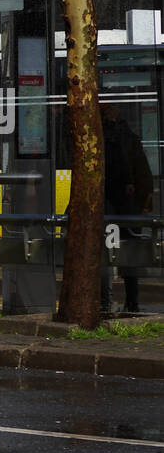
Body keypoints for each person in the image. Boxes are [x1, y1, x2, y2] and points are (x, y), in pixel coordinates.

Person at [101, 109, 154, 313]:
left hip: (109, 206)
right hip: (128, 209)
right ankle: (132, 301)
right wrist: (143, 204)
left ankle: (104, 301)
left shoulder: (103, 141)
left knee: (105, 253)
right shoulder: (131, 139)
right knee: (129, 254)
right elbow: (144, 175)